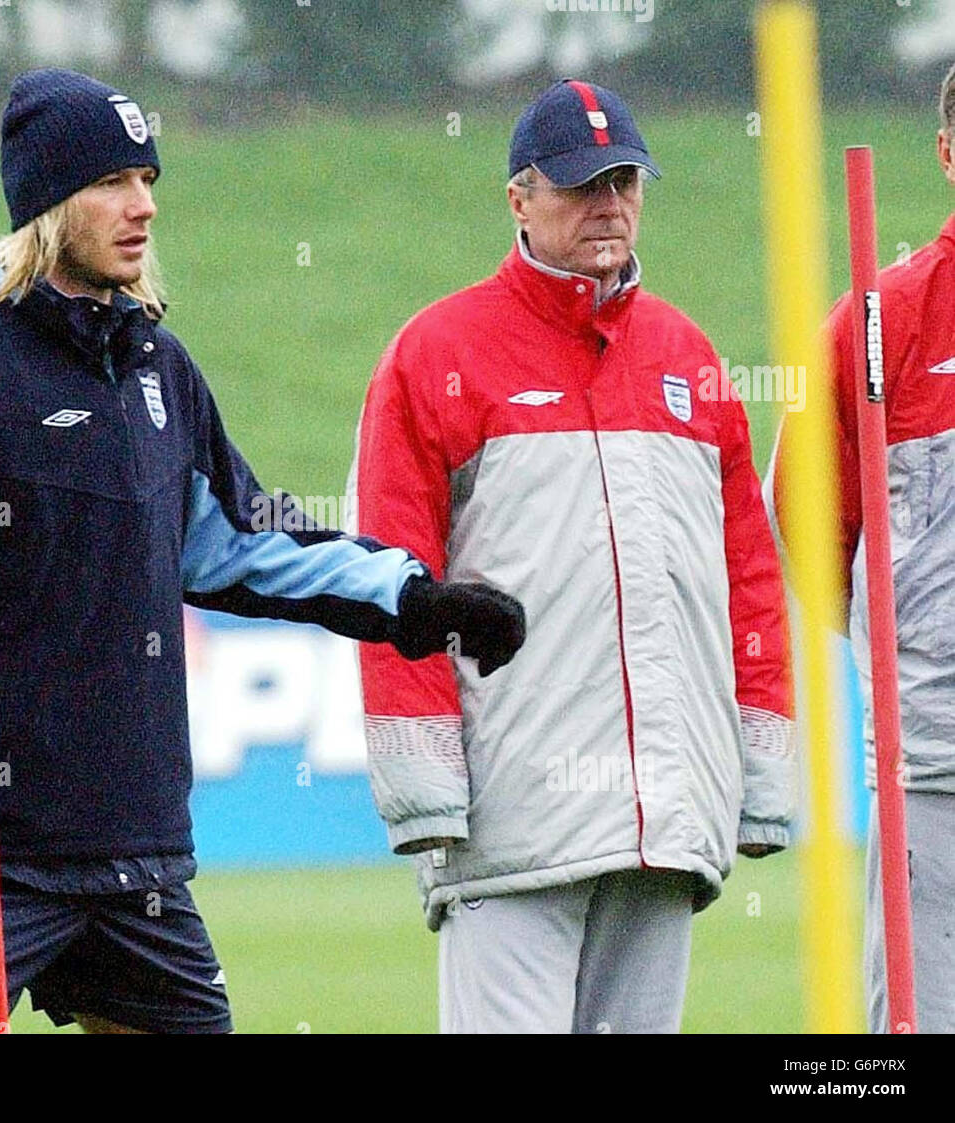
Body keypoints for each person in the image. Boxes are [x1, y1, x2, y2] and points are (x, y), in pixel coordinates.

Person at [0, 68, 526, 1035]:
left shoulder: (157, 365)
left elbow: (239, 539)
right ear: (50, 203)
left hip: (131, 856)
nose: (143, 205)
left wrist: (416, 599)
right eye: (114, 181)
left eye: (149, 179)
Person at [350, 78, 794, 1034]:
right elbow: (392, 578)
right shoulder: (435, 352)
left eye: (625, 181)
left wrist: (761, 773)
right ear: (519, 198)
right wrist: (425, 786)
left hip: (667, 818)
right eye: (583, 184)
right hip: (516, 819)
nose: (610, 203)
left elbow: (749, 579)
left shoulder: (690, 356)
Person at [765, 63, 955, 1036]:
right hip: (935, 769)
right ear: (946, 153)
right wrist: (904, 647)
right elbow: (806, 525)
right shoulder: (878, 326)